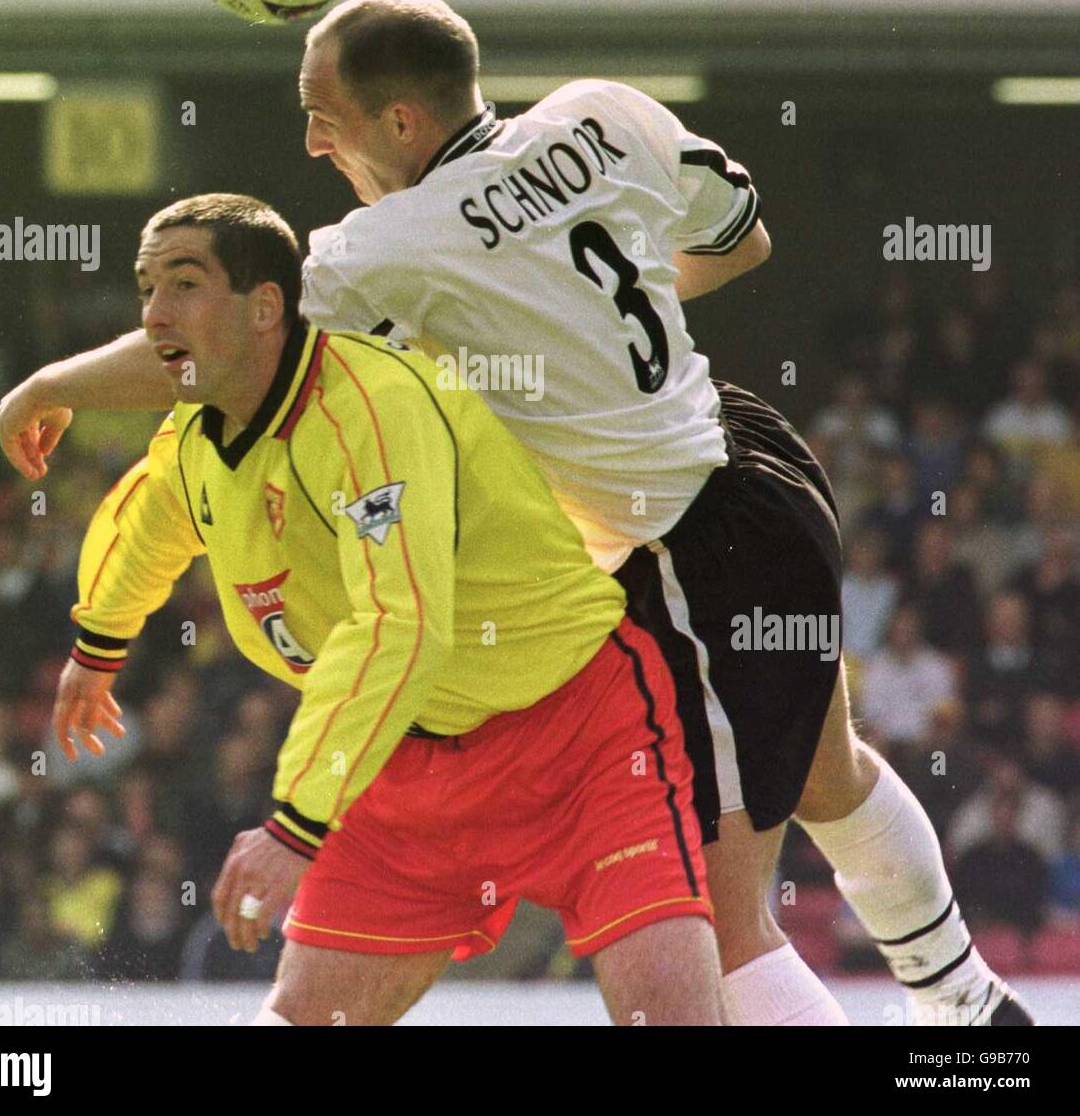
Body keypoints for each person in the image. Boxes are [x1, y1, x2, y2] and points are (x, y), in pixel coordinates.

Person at [0, 0, 1031, 1026]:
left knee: (720, 917)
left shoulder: (386, 245)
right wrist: (574, 318)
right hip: (755, 460)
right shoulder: (600, 110)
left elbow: (220, 341)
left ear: (399, 122)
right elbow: (744, 237)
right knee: (826, 772)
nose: (312, 142)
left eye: (324, 114)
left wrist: (50, 386)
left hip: (674, 554)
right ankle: (971, 1005)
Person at [50, 193, 721, 1026]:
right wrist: (97, 648)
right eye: (146, 287)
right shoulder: (194, 440)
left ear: (266, 308)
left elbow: (400, 627)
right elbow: (145, 523)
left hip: (577, 735)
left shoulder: (372, 402)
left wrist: (294, 827)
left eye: (184, 285)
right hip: (397, 772)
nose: (155, 312)